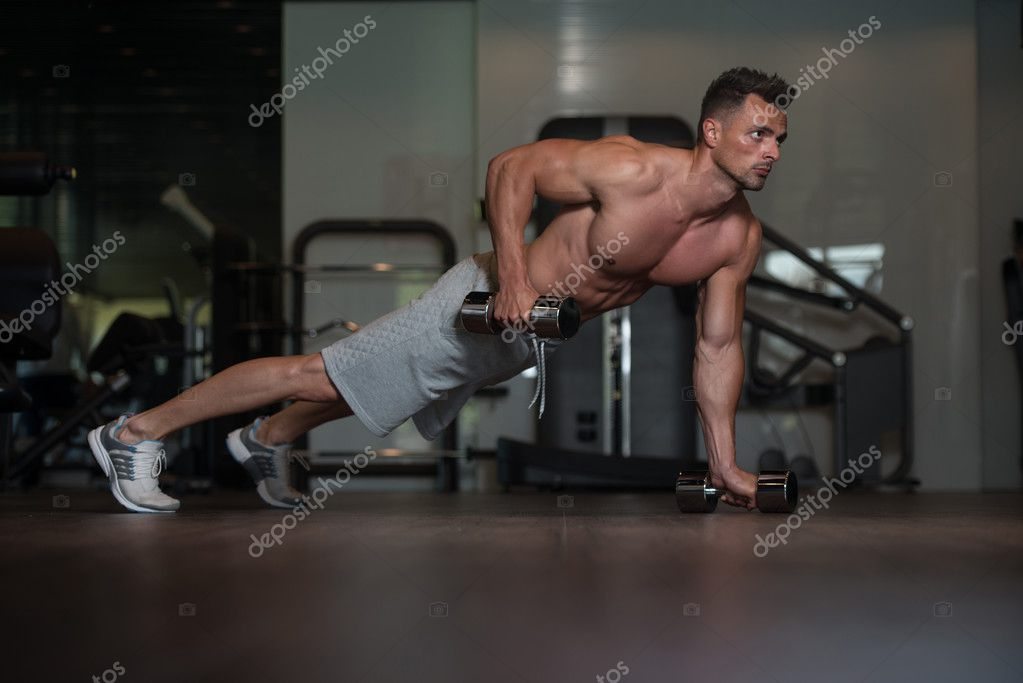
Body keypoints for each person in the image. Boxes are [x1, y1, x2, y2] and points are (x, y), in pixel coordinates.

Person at [88, 66, 789, 513]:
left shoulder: (735, 237)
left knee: (369, 391)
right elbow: (509, 169)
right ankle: (133, 432)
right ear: (711, 130)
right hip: (481, 304)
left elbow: (718, 344)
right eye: (758, 133)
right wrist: (513, 277)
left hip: (519, 344)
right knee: (317, 372)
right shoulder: (630, 170)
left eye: (779, 139)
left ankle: (266, 437)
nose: (770, 152)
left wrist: (722, 462)